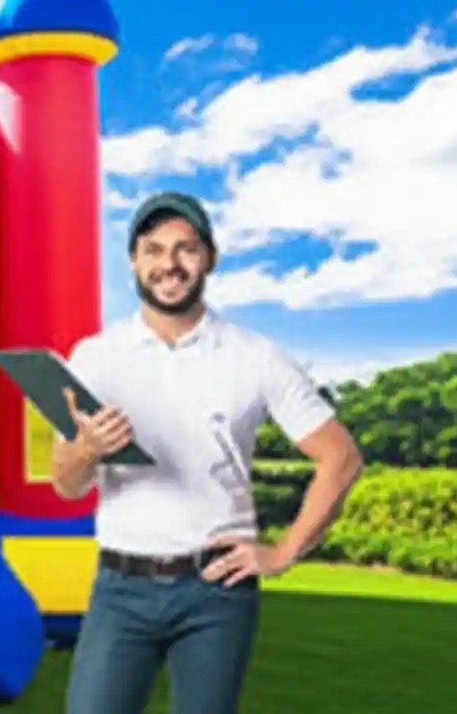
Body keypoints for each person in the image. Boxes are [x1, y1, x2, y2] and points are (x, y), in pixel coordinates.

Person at [53, 191, 365, 714]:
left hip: (216, 592)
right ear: (134, 260)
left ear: (210, 258)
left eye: (185, 249)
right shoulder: (95, 356)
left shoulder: (257, 357)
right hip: (119, 589)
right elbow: (67, 482)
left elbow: (341, 459)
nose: (168, 264)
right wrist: (85, 449)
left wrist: (284, 552)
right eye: (153, 250)